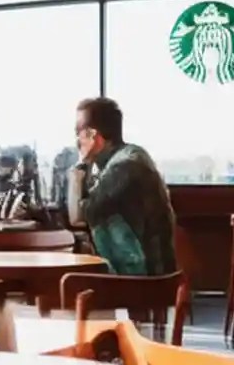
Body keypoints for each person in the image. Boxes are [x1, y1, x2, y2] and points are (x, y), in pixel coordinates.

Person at [67, 97, 177, 276]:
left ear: (93, 135)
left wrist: (80, 165)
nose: (76, 140)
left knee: (69, 284)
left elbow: (78, 217)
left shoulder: (126, 165)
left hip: (145, 279)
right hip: (139, 274)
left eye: (78, 132)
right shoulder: (120, 161)